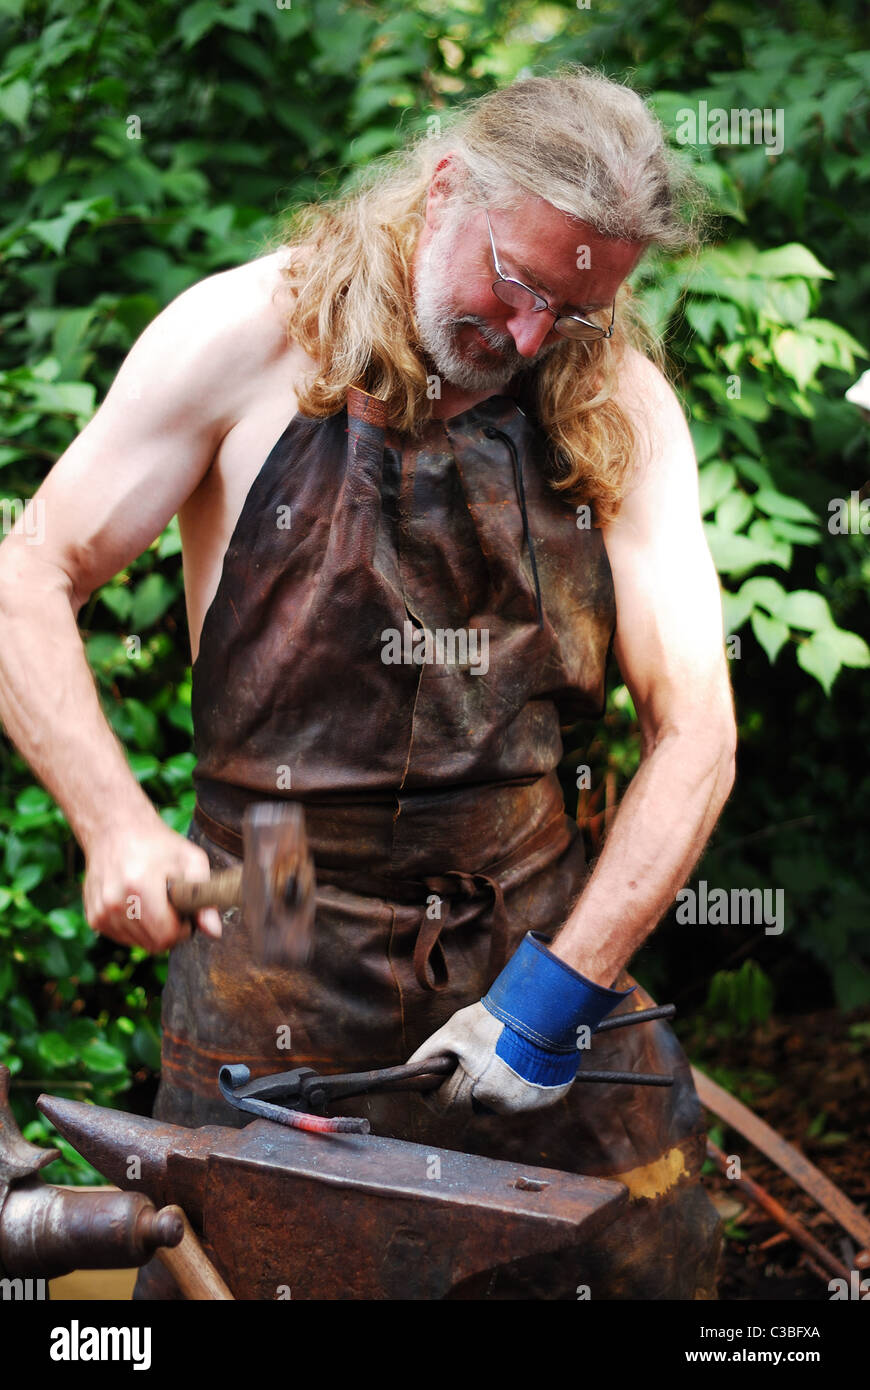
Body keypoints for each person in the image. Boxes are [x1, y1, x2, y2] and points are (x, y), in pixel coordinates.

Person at [0, 66, 735, 1299]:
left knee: (649, 1261)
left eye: (579, 307)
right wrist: (114, 822)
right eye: (518, 282)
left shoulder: (614, 402)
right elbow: (29, 574)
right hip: (278, 895)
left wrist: (556, 992)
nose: (534, 337)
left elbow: (697, 733)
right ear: (445, 185)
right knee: (249, 1264)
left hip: (528, 901)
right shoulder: (245, 337)